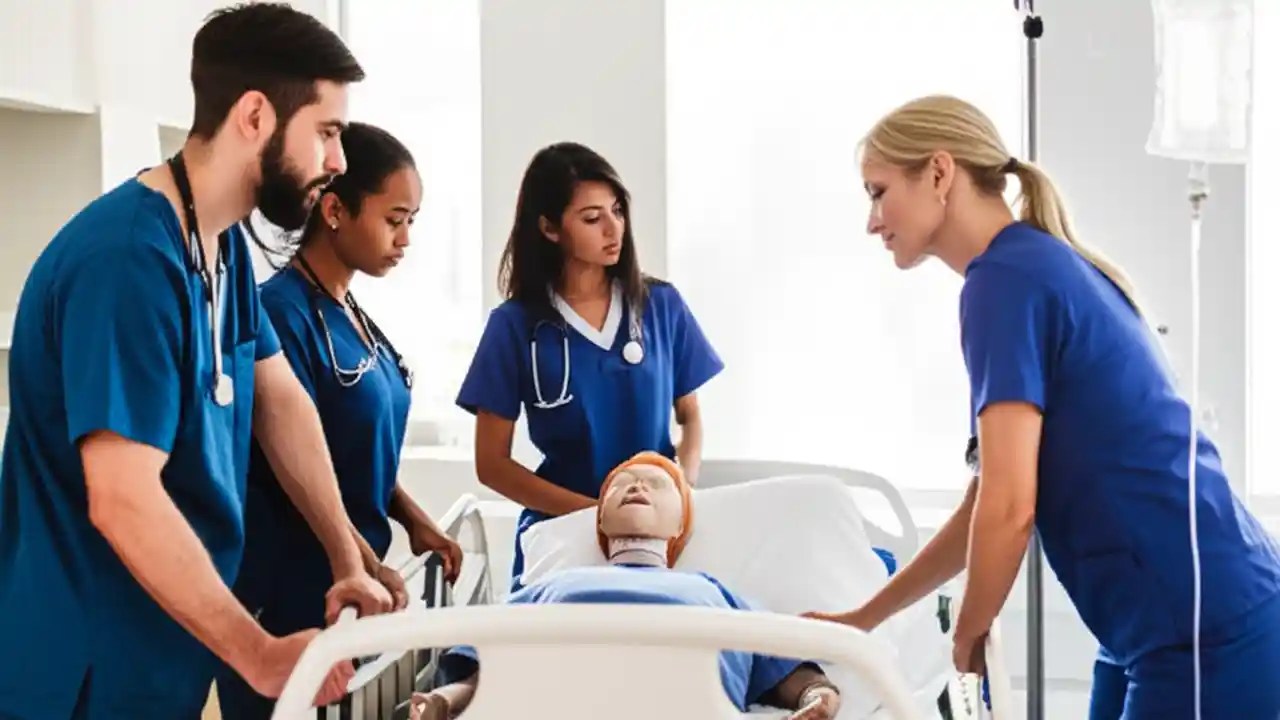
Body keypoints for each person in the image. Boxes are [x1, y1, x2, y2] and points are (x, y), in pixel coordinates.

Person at [803, 94, 1280, 719]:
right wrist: (865, 618)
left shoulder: (1004, 284)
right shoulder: (1030, 267)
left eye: (878, 191)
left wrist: (970, 632)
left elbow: (1010, 508)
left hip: (1204, 630)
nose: (872, 220)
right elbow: (987, 501)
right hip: (1152, 626)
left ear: (940, 174)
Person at [0, 5, 398, 718]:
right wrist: (259, 652)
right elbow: (122, 497)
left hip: (165, 663)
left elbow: (280, 403)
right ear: (254, 116)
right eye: (327, 133)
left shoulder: (219, 245)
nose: (337, 162)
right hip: (86, 670)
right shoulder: (127, 262)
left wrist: (344, 552)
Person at [217, 121, 466, 718]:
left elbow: (351, 445)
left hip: (349, 580)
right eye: (394, 218)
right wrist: (364, 564)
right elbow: (291, 466)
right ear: (334, 210)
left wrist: (412, 519)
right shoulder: (280, 313)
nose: (405, 238)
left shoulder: (349, 310)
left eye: (413, 221)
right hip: (296, 584)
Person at [456, 142, 724, 589]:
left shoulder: (660, 306)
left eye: (617, 211)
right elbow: (492, 464)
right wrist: (593, 513)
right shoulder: (514, 326)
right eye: (592, 218)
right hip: (563, 530)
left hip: (658, 527)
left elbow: (690, 417)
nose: (613, 229)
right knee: (542, 643)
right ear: (549, 228)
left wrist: (680, 488)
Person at [408, 452, 842, 720]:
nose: (636, 485)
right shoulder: (550, 586)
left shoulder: (713, 593)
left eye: (657, 485)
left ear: (679, 526)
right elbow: (490, 668)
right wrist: (444, 700)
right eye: (621, 485)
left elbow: (785, 667)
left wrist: (817, 697)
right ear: (600, 519)